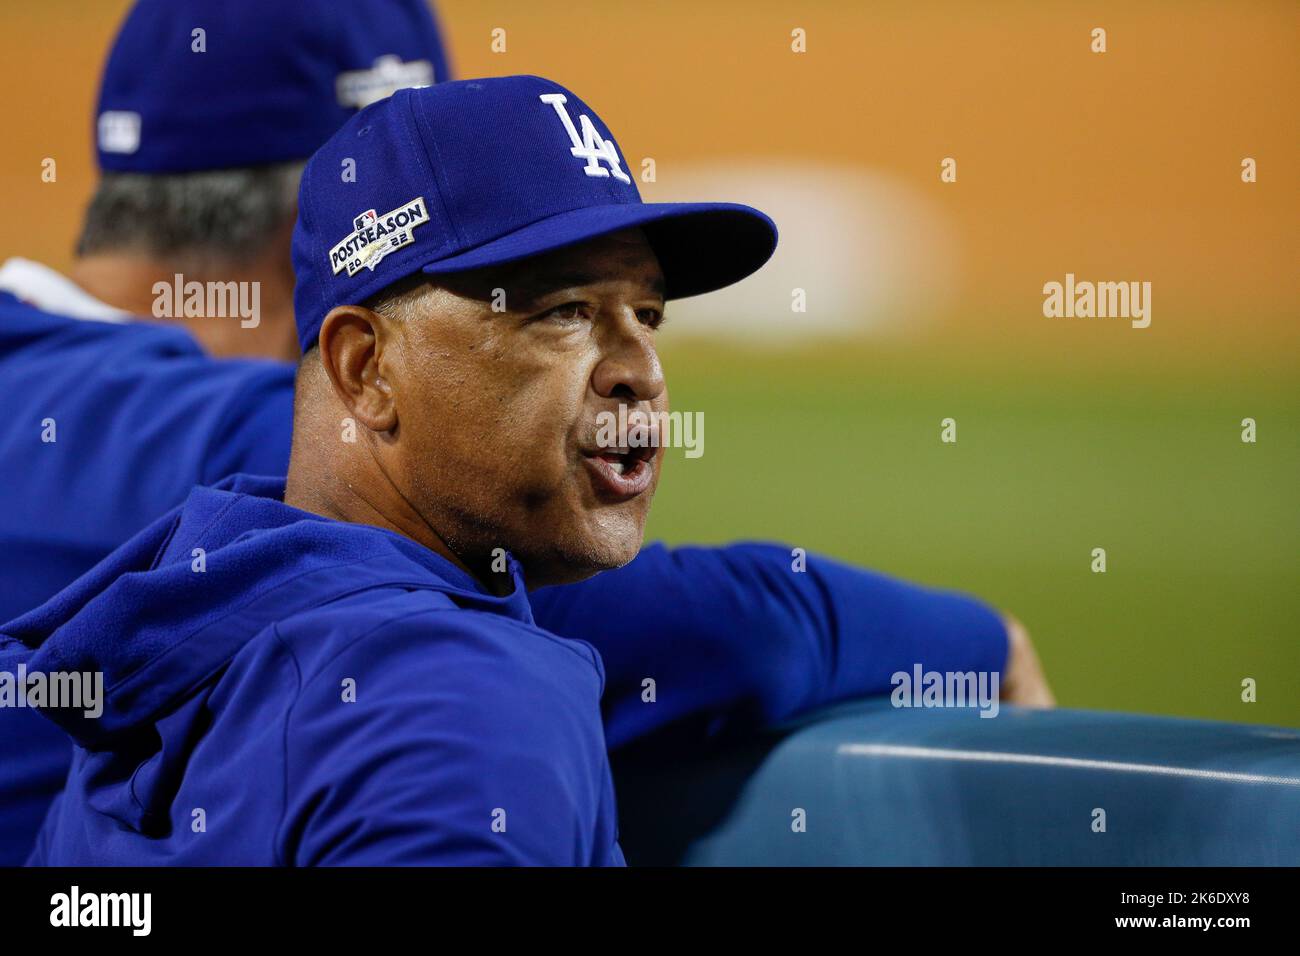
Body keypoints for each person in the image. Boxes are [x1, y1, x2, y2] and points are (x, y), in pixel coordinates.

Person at [0, 5, 1051, 864]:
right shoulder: (460, 695)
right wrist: (974, 645)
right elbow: (686, 627)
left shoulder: (184, 585)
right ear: (359, 359)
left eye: (649, 312)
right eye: (553, 307)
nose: (640, 366)